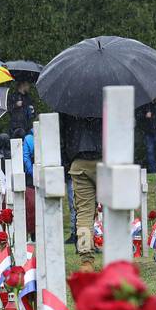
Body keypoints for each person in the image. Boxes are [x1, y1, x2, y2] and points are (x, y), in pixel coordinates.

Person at [60, 111, 103, 272]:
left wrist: (66, 162)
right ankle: (118, 256)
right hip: (105, 159)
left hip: (79, 161)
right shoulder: (107, 94)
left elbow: (62, 135)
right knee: (113, 211)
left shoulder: (68, 105)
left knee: (84, 213)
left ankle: (86, 261)